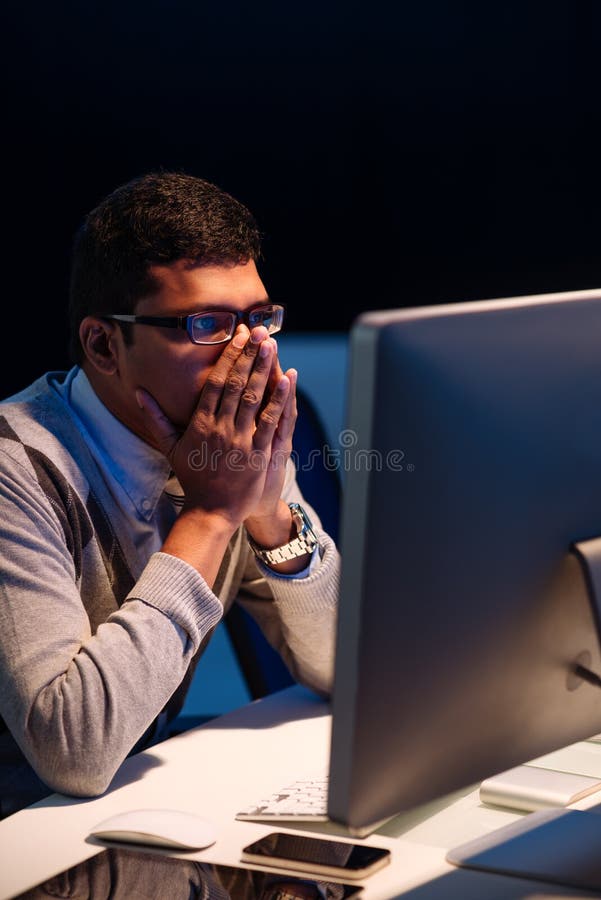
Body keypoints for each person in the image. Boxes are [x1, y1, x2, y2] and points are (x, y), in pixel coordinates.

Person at [0, 171, 339, 818]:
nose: (251, 353)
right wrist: (211, 515)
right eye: (207, 323)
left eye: (260, 320)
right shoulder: (14, 469)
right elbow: (73, 752)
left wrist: (267, 512)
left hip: (131, 814)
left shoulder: (228, 448)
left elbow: (343, 671)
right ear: (104, 343)